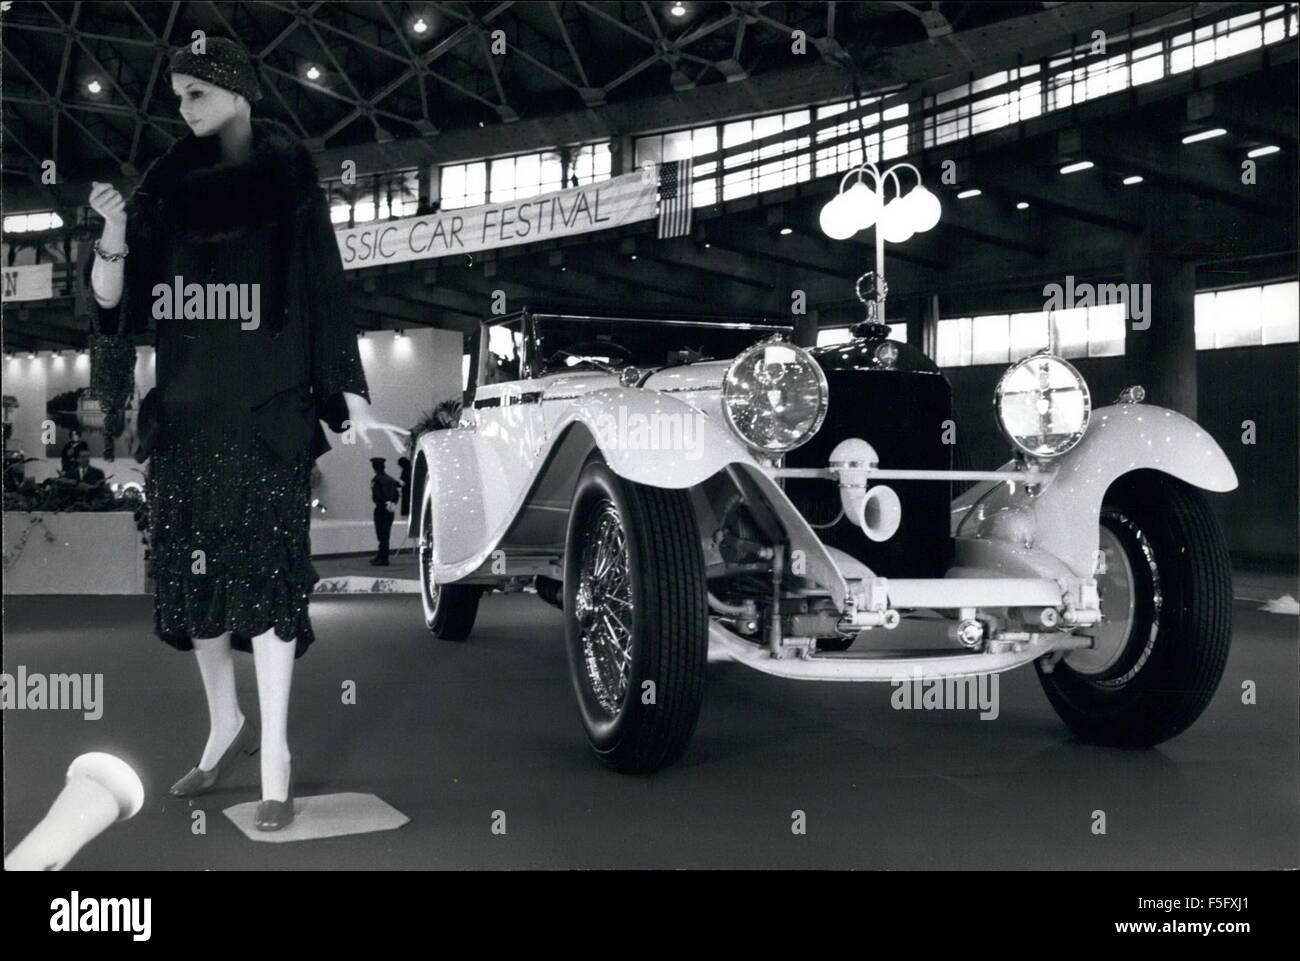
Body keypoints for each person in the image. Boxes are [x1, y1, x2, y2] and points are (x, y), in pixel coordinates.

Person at [84, 37, 403, 832]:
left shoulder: (291, 186)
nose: (183, 110)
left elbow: (326, 290)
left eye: (197, 94)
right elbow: (114, 305)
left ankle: (275, 758)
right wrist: (114, 237)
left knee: (264, 589)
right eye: (178, 97)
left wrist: (350, 398)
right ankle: (224, 722)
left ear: (236, 92)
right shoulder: (164, 193)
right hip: (188, 420)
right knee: (199, 599)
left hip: (267, 418)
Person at [370, 457, 400, 566]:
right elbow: (397, 494)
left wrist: (383, 503)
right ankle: (381, 555)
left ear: (375, 467)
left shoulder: (376, 480)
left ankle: (383, 558)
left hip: (380, 509)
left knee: (381, 534)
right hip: (389, 510)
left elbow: (377, 495)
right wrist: (392, 504)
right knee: (385, 534)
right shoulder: (391, 479)